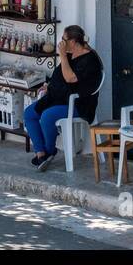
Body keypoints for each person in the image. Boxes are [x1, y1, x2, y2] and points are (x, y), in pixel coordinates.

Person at [23, 25, 103, 171]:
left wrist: (63, 56)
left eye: (64, 39)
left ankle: (49, 151)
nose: (61, 43)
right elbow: (60, 76)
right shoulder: (72, 54)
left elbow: (70, 77)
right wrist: (50, 86)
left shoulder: (90, 60)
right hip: (59, 98)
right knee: (29, 114)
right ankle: (40, 153)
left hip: (79, 104)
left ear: (73, 41)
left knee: (47, 116)